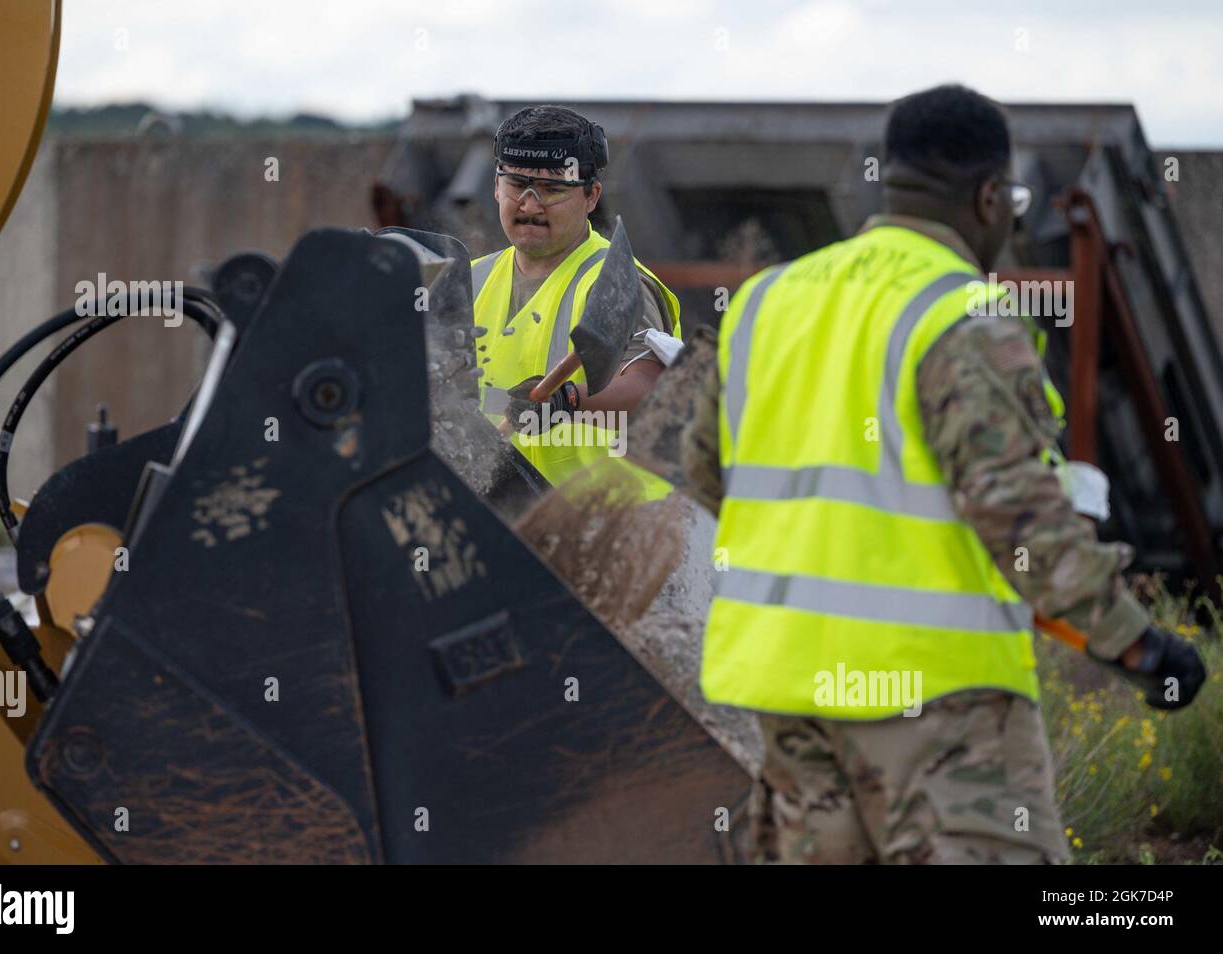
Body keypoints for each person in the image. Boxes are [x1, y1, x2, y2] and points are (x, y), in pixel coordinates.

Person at [681, 84, 1206, 864]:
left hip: (784, 688)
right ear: (990, 197)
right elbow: (1017, 514)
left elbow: (708, 478)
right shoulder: (960, 316)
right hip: (936, 704)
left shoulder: (768, 302)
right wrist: (1136, 646)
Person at [471, 105, 681, 489]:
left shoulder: (617, 282)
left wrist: (566, 400)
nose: (531, 205)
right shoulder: (471, 280)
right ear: (497, 187)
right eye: (518, 185)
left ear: (591, 196)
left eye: (553, 190)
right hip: (507, 525)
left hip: (615, 528)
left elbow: (651, 390)